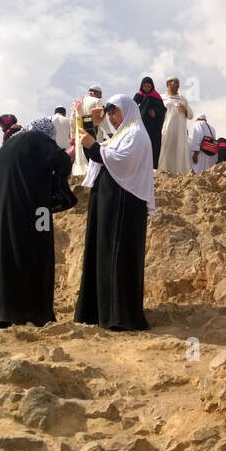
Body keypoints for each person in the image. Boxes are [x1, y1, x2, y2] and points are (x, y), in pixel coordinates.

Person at [0, 117, 74, 329]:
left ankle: (0, 314)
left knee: (5, 260)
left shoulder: (9, 145)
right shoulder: (37, 139)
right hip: (35, 213)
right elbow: (61, 162)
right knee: (38, 254)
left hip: (1, 216)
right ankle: (35, 313)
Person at [75, 93, 153, 331]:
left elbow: (116, 160)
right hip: (110, 202)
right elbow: (97, 152)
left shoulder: (136, 133)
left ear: (127, 110)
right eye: (109, 113)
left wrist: (93, 144)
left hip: (123, 204)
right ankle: (99, 311)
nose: (112, 117)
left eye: (115, 111)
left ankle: (119, 315)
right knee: (103, 254)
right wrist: (90, 123)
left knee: (117, 255)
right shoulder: (120, 135)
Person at [159, 77, 193, 174]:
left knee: (180, 151)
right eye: (176, 83)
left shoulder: (183, 99)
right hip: (167, 130)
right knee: (167, 151)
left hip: (180, 132)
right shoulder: (162, 98)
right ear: (169, 84)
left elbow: (191, 115)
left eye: (179, 83)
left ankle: (180, 174)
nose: (178, 85)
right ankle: (164, 173)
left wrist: (185, 110)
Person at [71, 85, 103, 179]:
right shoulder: (97, 101)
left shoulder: (77, 103)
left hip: (80, 134)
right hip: (95, 133)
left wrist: (73, 136)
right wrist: (110, 133)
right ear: (97, 93)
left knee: (81, 156)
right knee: (95, 155)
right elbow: (103, 119)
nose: (100, 97)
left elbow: (72, 121)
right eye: (99, 95)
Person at [134, 76, 166, 169]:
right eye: (145, 86)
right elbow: (132, 107)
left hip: (154, 128)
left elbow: (162, 110)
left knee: (153, 147)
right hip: (141, 126)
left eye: (149, 86)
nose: (147, 88)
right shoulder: (138, 96)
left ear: (152, 86)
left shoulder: (157, 97)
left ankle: (152, 168)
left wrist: (155, 113)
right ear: (142, 86)